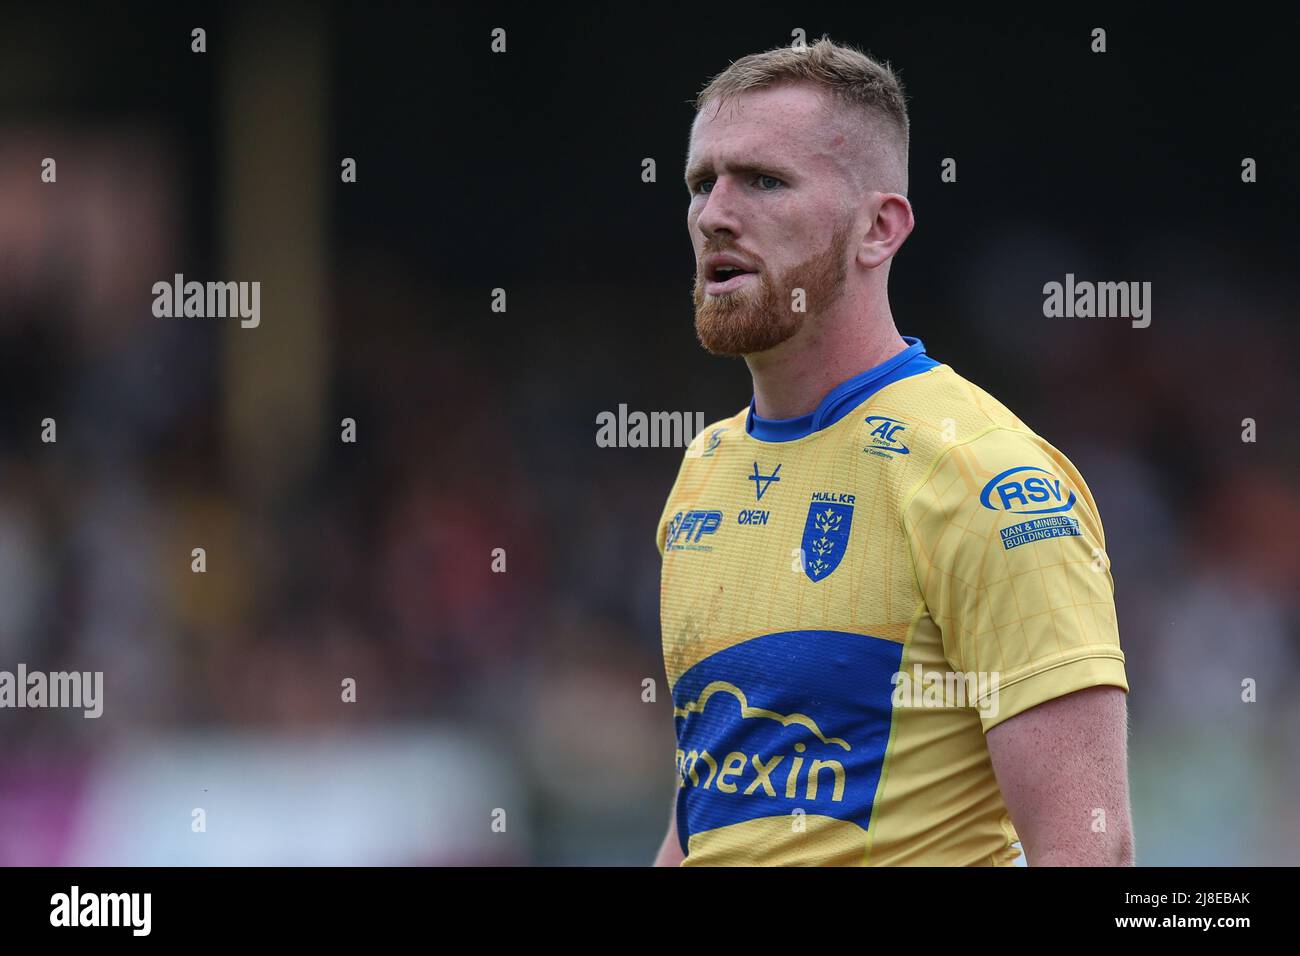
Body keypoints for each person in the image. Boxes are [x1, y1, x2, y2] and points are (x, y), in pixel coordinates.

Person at [653, 37, 1133, 866]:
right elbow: (714, 811)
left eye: (763, 180)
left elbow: (1090, 848)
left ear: (879, 227)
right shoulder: (702, 471)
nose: (714, 214)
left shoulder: (982, 473)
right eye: (702, 182)